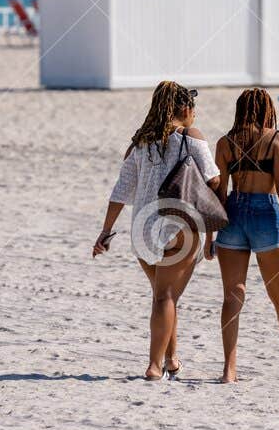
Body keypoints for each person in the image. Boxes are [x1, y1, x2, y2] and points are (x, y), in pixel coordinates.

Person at [94, 80, 220, 380]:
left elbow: (121, 190)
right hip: (179, 227)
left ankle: (171, 360)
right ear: (185, 108)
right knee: (165, 297)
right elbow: (214, 180)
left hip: (143, 230)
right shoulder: (191, 137)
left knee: (163, 296)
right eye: (193, 109)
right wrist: (214, 231)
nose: (195, 115)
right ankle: (153, 366)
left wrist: (105, 231)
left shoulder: (139, 143)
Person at [208, 88, 279, 383]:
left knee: (232, 295)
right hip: (265, 214)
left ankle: (229, 369)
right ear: (266, 110)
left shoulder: (225, 143)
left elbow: (219, 193)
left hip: (232, 212)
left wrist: (210, 237)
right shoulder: (275, 139)